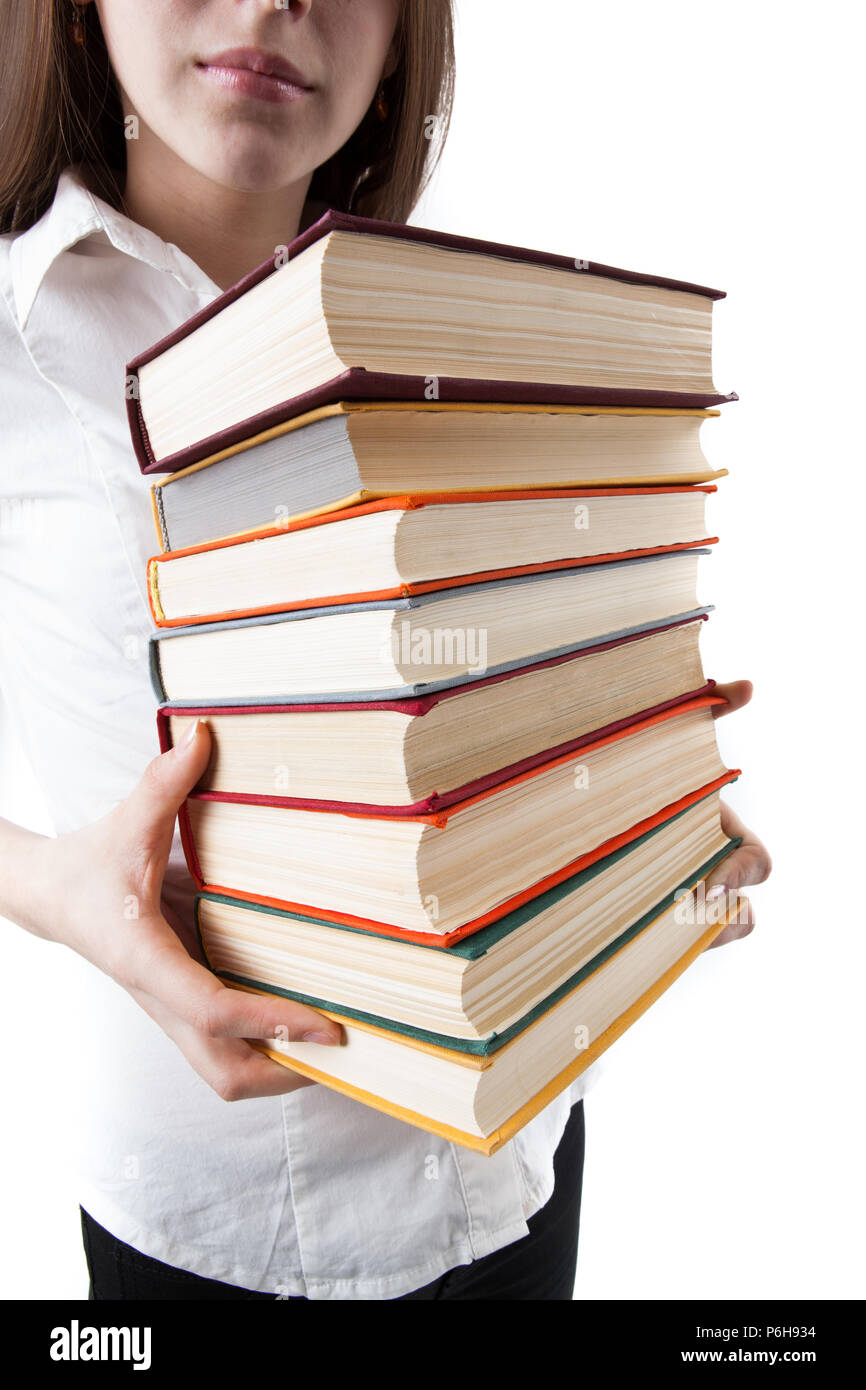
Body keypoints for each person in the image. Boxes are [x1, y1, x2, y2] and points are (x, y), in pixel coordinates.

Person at [0, 0, 771, 1301]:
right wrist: (61, 892)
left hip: (512, 1150)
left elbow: (483, 703)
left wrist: (634, 823)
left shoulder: (441, 334)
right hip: (209, 1211)